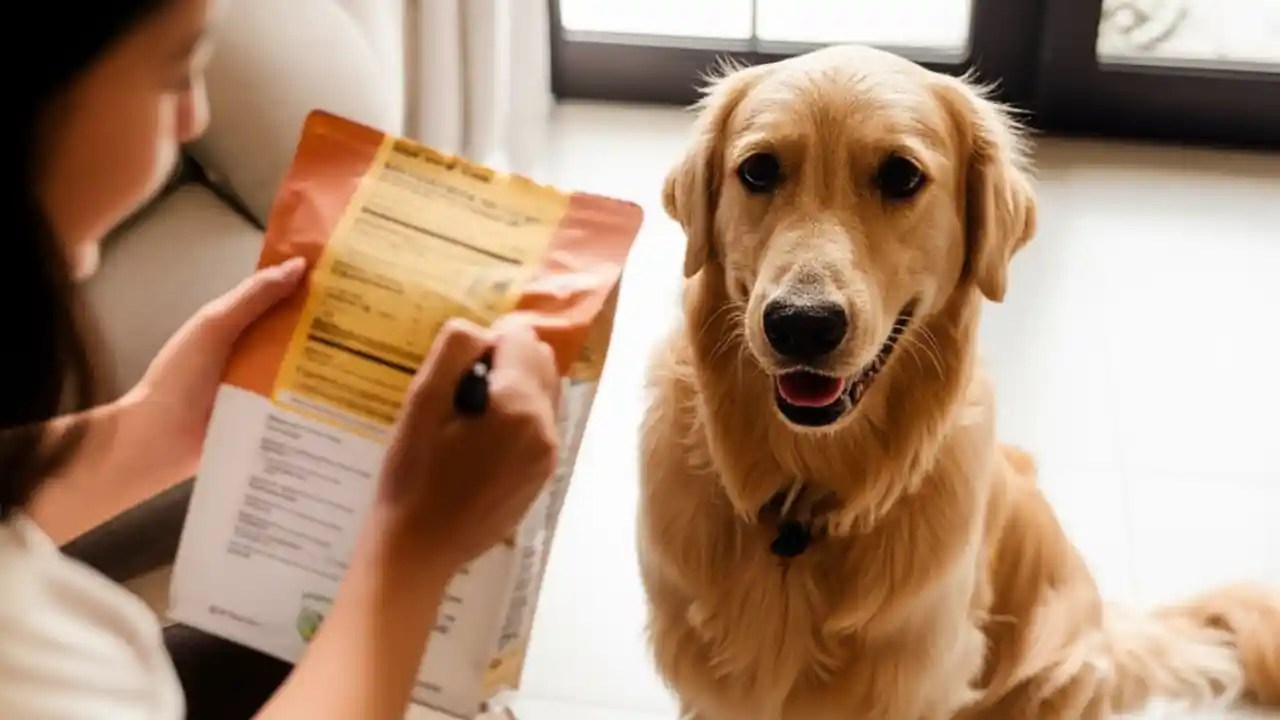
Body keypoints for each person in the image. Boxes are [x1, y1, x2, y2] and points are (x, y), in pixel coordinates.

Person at [0, 0, 561, 717]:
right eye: (175, 71)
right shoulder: (37, 669)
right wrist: (413, 555)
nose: (195, 119)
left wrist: (152, 429)